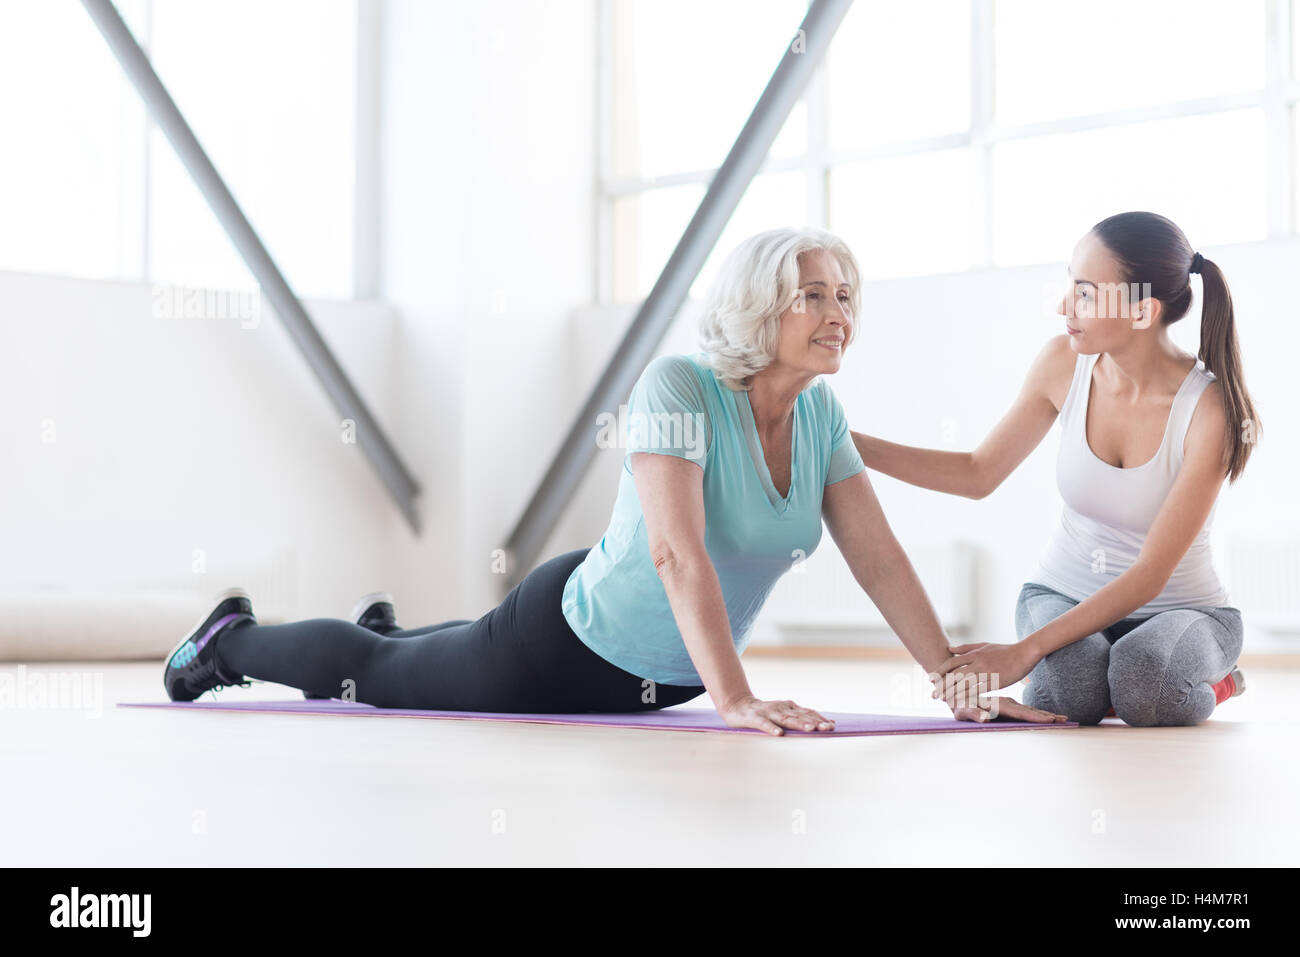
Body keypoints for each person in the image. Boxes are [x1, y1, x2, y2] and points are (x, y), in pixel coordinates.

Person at [163, 227, 1068, 734]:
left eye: (845, 295)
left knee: (419, 647)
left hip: (667, 677)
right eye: (814, 294)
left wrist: (952, 680)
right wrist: (736, 696)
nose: (839, 313)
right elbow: (677, 554)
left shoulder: (823, 417)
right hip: (561, 644)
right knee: (379, 674)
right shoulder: (677, 386)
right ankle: (229, 641)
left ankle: (393, 625)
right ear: (760, 307)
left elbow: (879, 560)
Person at [853, 211, 1257, 726]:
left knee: (1146, 686)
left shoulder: (1210, 410)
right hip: (1063, 592)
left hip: (1183, 611)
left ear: (1142, 312)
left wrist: (1024, 652)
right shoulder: (1064, 363)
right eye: (1070, 283)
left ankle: (1220, 680)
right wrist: (850, 445)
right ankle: (1105, 680)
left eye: (1085, 292)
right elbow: (978, 473)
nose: (1065, 305)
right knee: (1067, 695)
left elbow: (1151, 574)